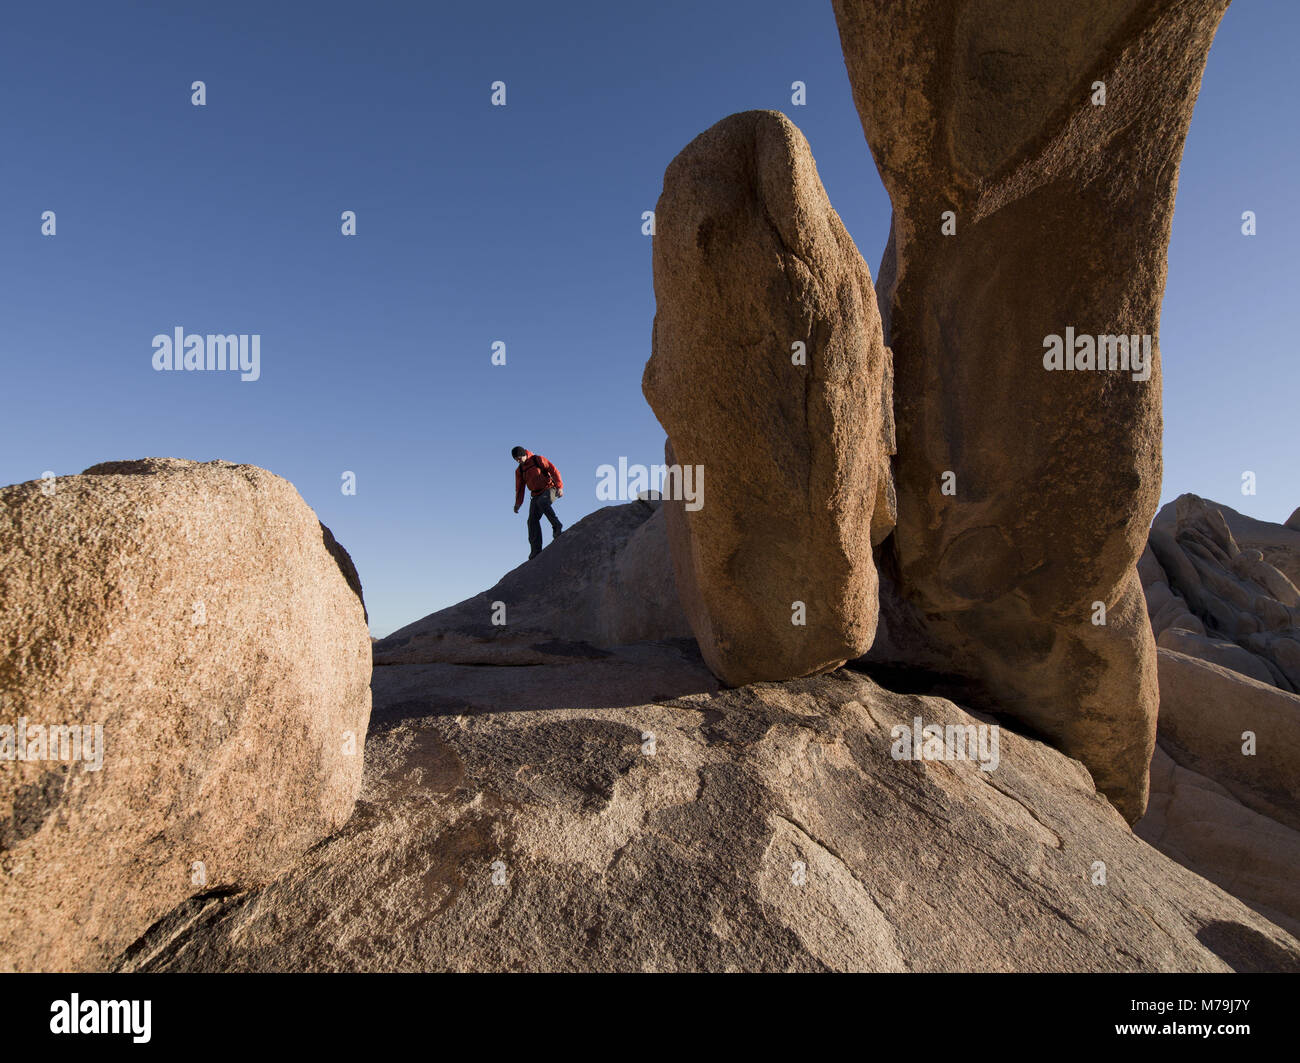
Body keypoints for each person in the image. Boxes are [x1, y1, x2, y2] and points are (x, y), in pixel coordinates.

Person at [512, 446, 564, 559]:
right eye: (516, 460)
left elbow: (553, 470)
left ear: (524, 454)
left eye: (519, 458)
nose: (518, 461)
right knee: (531, 521)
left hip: (550, 488)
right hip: (535, 494)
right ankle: (536, 550)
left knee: (543, 502)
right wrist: (518, 503)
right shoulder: (519, 470)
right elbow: (520, 488)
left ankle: (557, 526)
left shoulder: (537, 459)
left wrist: (559, 487)